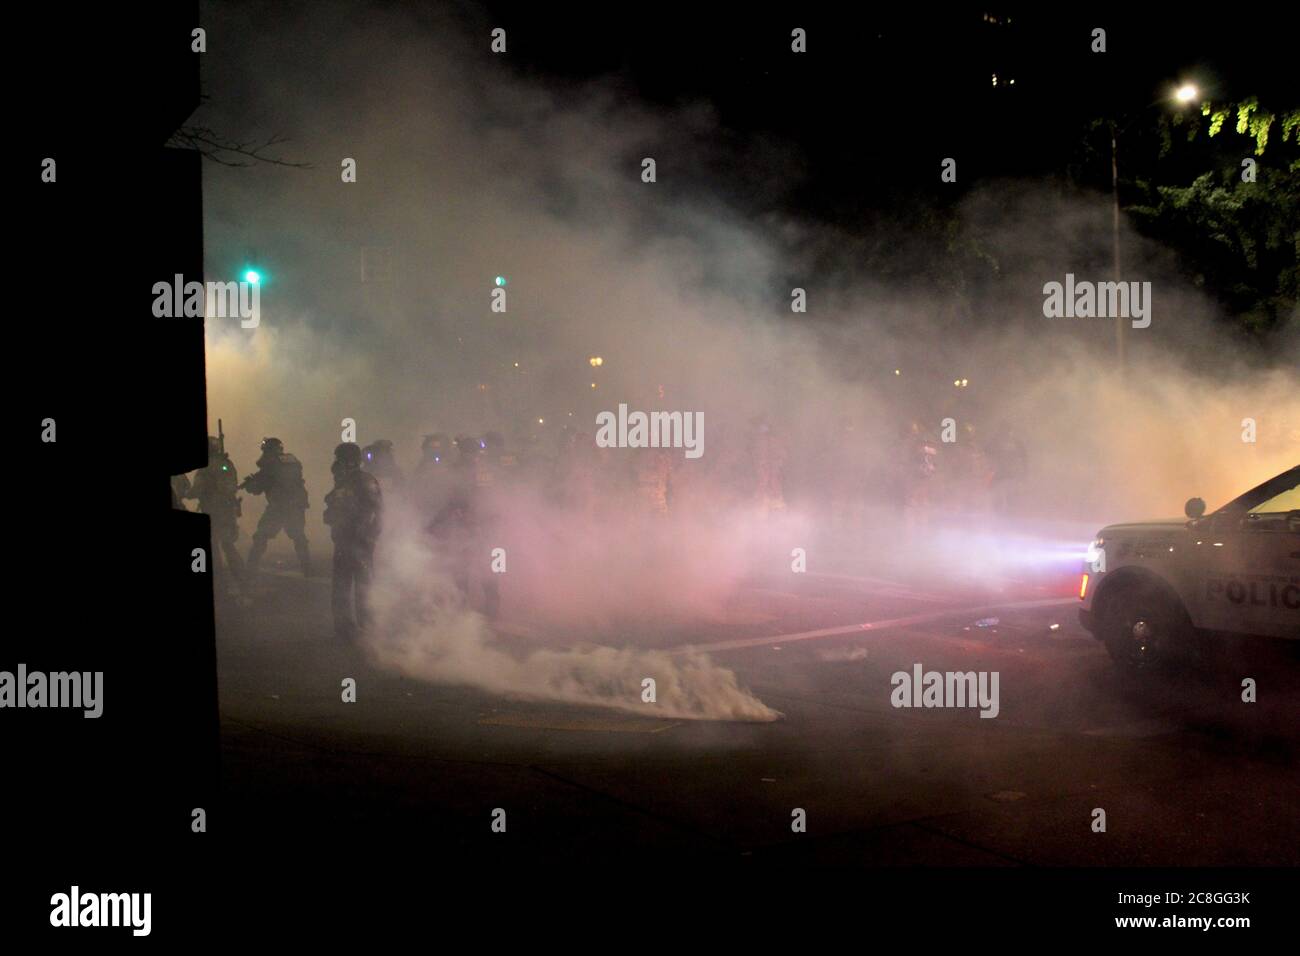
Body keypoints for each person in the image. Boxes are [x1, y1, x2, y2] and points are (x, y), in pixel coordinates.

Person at [323, 442, 382, 640]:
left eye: (339, 460)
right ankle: (346, 629)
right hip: (345, 540)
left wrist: (365, 536)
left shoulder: (364, 481)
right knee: (343, 586)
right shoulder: (345, 481)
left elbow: (374, 511)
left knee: (362, 586)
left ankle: (366, 628)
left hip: (358, 541)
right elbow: (334, 505)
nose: (336, 464)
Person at [241, 437, 311, 577]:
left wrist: (249, 485)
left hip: (279, 507)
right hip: (296, 506)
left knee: (261, 536)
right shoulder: (291, 461)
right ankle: (308, 569)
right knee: (299, 537)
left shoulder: (270, 464)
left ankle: (250, 568)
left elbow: (258, 487)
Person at [186, 435, 245, 585]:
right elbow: (233, 484)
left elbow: (197, 490)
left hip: (212, 511)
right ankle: (241, 577)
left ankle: (218, 580)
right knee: (228, 544)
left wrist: (186, 493)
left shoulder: (205, 467)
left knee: (213, 545)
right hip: (227, 509)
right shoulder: (227, 464)